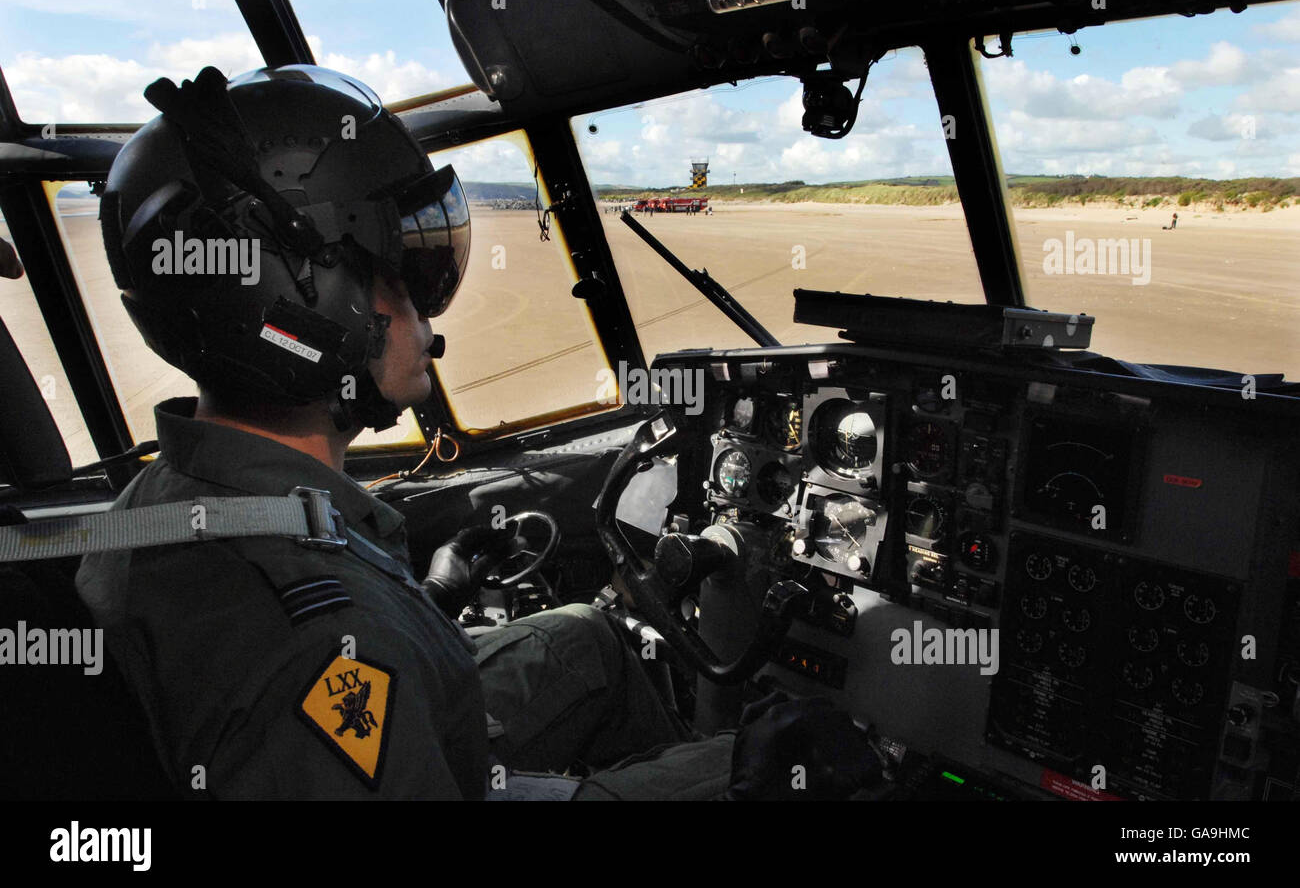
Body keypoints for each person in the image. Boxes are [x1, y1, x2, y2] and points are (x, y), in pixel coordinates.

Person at [79, 65, 876, 801]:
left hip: (411, 724)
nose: (425, 314)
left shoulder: (167, 497)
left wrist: (434, 596)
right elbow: (323, 683)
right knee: (778, 764)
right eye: (406, 273)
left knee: (587, 642)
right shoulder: (317, 633)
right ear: (303, 304)